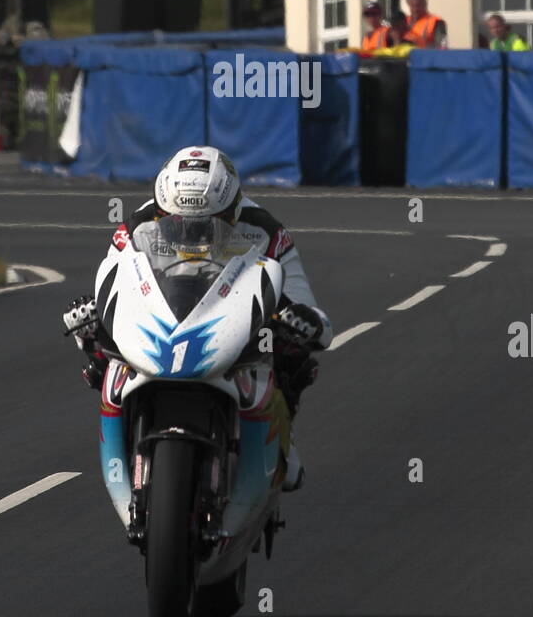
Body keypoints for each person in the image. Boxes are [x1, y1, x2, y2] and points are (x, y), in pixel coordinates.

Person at [62, 146, 332, 492]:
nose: (191, 236)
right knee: (95, 336)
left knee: (296, 350)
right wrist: (89, 320)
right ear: (161, 212)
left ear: (232, 211)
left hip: (234, 325)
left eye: (206, 225)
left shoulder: (266, 231)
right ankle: (122, 421)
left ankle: (282, 432)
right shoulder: (137, 227)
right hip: (160, 322)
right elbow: (112, 285)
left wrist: (302, 319)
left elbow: (314, 315)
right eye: (178, 225)